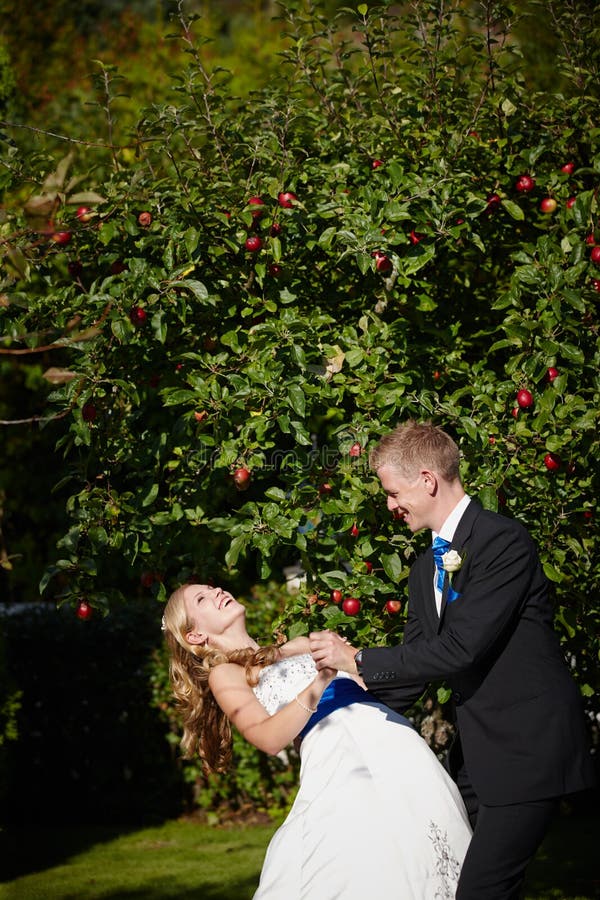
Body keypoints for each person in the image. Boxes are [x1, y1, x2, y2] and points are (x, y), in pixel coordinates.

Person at [309, 420, 597, 900]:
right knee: (450, 878)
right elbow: (416, 668)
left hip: (530, 752)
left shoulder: (503, 542)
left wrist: (357, 656)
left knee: (482, 890)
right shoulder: (426, 567)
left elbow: (462, 647)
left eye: (392, 492)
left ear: (427, 481)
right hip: (477, 761)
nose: (390, 505)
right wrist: (337, 697)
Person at [162, 581, 473, 899]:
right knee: (362, 862)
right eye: (202, 598)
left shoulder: (298, 646)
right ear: (195, 636)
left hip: (394, 740)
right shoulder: (225, 673)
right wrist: (320, 680)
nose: (217, 592)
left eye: (213, 587)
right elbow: (268, 738)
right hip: (339, 759)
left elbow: (366, 690)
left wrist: (350, 664)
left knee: (428, 847)